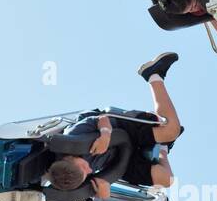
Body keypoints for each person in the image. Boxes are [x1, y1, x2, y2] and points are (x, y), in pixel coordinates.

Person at [46, 53, 183, 193]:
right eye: (86, 174)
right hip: (119, 160)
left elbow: (101, 118)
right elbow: (88, 189)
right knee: (167, 180)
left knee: (172, 130)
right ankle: (162, 149)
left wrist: (104, 135)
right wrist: (103, 191)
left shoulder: (73, 135)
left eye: (83, 167)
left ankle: (153, 74)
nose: (89, 170)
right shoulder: (76, 176)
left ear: (69, 158)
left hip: (119, 129)